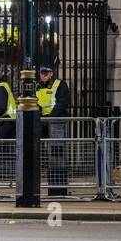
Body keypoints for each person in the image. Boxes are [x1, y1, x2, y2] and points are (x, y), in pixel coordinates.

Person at [36, 63, 71, 196]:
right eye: (41, 73)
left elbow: (63, 102)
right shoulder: (37, 86)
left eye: (46, 73)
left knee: (57, 152)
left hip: (56, 121)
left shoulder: (59, 84)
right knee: (38, 148)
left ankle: (58, 186)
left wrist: (51, 115)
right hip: (41, 121)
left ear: (51, 73)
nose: (43, 76)